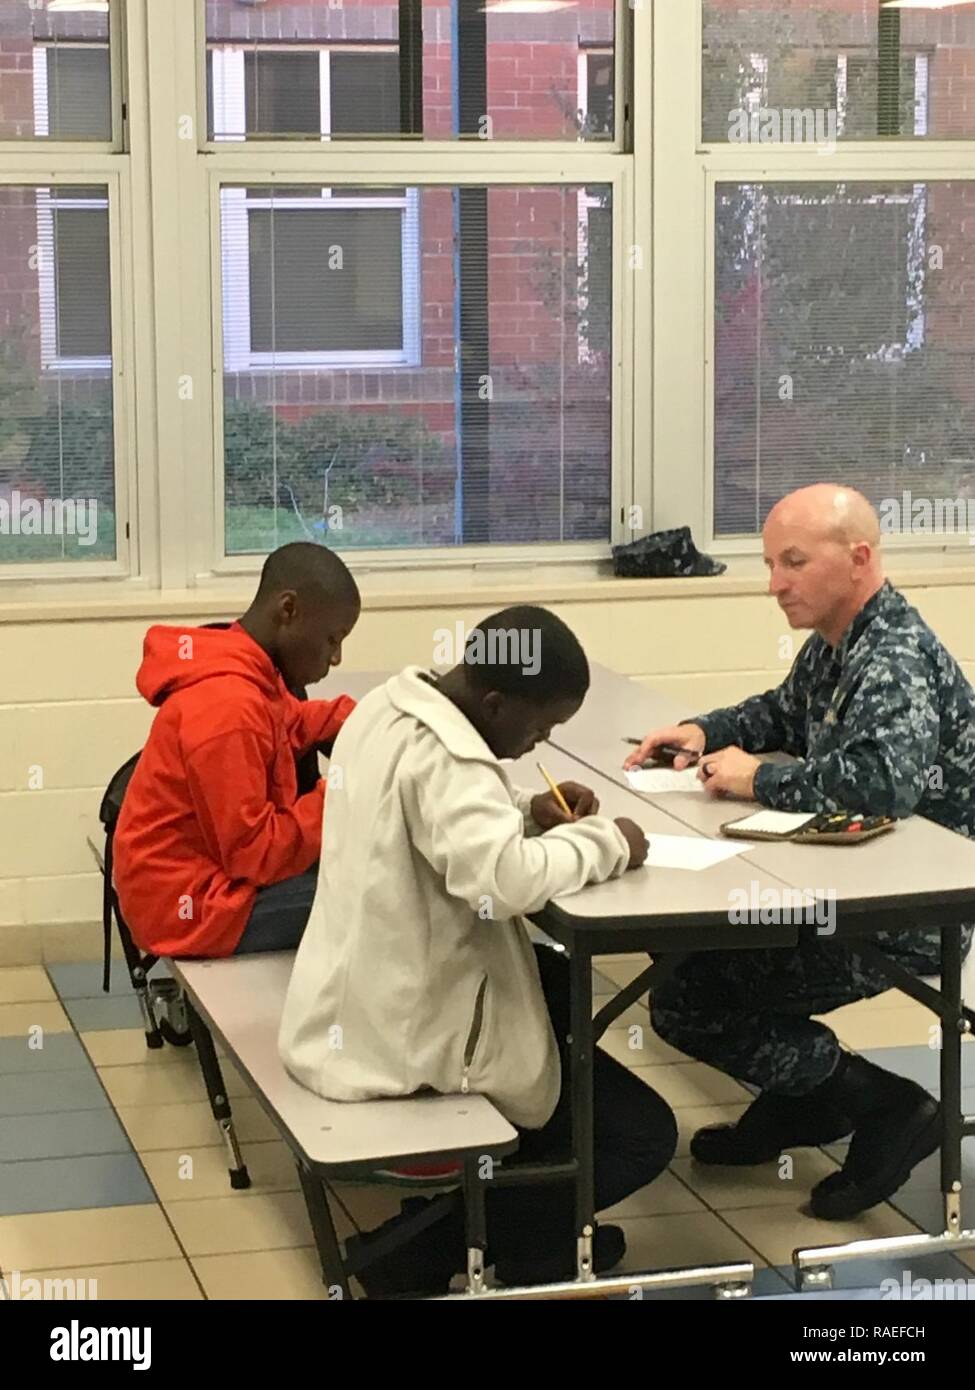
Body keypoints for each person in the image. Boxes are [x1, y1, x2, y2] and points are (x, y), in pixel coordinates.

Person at [280, 605, 677, 1295]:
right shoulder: (453, 758)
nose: (538, 744)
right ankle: (409, 1258)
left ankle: (536, 1240)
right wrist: (609, 841)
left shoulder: (390, 708)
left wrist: (525, 811)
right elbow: (505, 880)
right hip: (407, 1034)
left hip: (349, 999)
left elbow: (434, 820)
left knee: (554, 985)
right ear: (493, 702)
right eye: (539, 726)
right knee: (640, 1132)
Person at [626, 484, 975, 1220]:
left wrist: (760, 779)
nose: (773, 583)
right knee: (692, 970)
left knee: (693, 998)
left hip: (903, 912)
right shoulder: (839, 640)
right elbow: (781, 710)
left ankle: (886, 1106)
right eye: (768, 563)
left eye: (791, 562)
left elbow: (881, 785)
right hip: (846, 881)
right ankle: (809, 1103)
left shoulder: (894, 654)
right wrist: (702, 727)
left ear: (857, 559)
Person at [113, 542, 360, 958]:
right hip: (189, 906)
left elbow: (294, 723)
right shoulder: (229, 705)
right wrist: (342, 792)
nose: (335, 657)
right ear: (288, 610)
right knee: (371, 896)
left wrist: (377, 717)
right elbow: (256, 853)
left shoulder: (247, 667)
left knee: (359, 870)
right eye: (331, 638)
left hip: (202, 881)